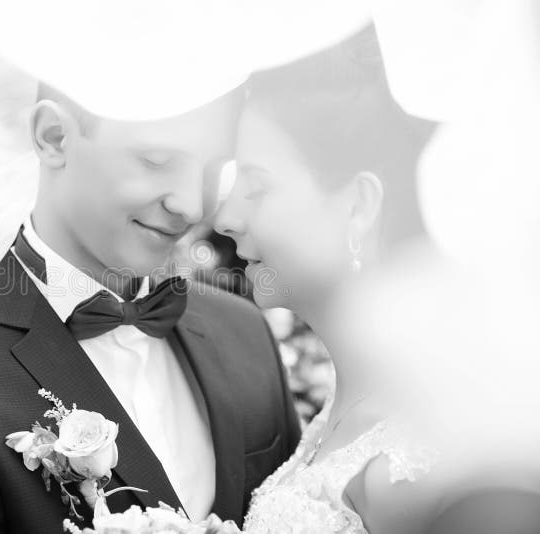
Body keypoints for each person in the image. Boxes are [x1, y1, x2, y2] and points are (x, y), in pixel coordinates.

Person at [0, 82, 301, 533]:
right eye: (156, 160)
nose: (192, 204)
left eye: (213, 169)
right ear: (54, 138)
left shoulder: (243, 329)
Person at [216, 25, 540, 534]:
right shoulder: (347, 400)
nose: (226, 218)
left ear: (359, 205)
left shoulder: (415, 460)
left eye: (256, 188)